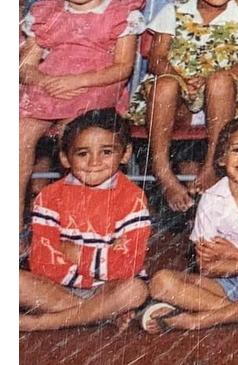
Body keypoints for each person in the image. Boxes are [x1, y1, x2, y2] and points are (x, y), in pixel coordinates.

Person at [126, 0, 238, 213]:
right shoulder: (174, 11)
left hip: (226, 102)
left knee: (219, 81)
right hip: (178, 102)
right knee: (163, 84)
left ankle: (213, 163)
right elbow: (156, 59)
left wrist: (213, 75)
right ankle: (163, 172)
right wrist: (180, 76)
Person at [19, 0, 145, 233]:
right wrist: (46, 81)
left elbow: (122, 67)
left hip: (96, 84)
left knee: (74, 135)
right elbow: (25, 66)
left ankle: (74, 219)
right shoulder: (48, 13)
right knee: (19, 133)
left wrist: (74, 82)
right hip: (50, 84)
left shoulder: (119, 14)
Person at [142, 115, 238, 334]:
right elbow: (206, 266)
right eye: (237, 150)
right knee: (160, 282)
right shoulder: (211, 198)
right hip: (223, 282)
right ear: (222, 158)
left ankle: (198, 320)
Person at [20, 110, 151, 332]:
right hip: (60, 287)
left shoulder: (133, 197)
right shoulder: (49, 196)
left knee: (135, 290)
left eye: (106, 152)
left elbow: (128, 266)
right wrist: (96, 269)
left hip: (110, 289)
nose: (94, 162)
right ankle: (98, 315)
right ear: (65, 158)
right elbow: (42, 263)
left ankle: (44, 322)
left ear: (125, 153)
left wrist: (76, 253)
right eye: (82, 154)